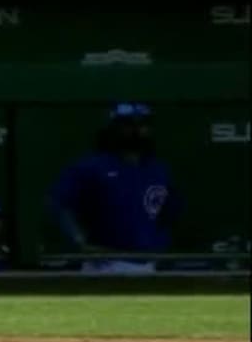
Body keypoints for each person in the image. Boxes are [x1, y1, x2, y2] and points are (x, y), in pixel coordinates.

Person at [49, 103, 180, 254]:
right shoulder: (91, 167)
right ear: (113, 128)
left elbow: (170, 213)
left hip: (148, 263)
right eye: (128, 124)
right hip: (103, 263)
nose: (136, 130)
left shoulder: (158, 170)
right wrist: (80, 241)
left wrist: (158, 243)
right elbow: (60, 204)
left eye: (142, 124)